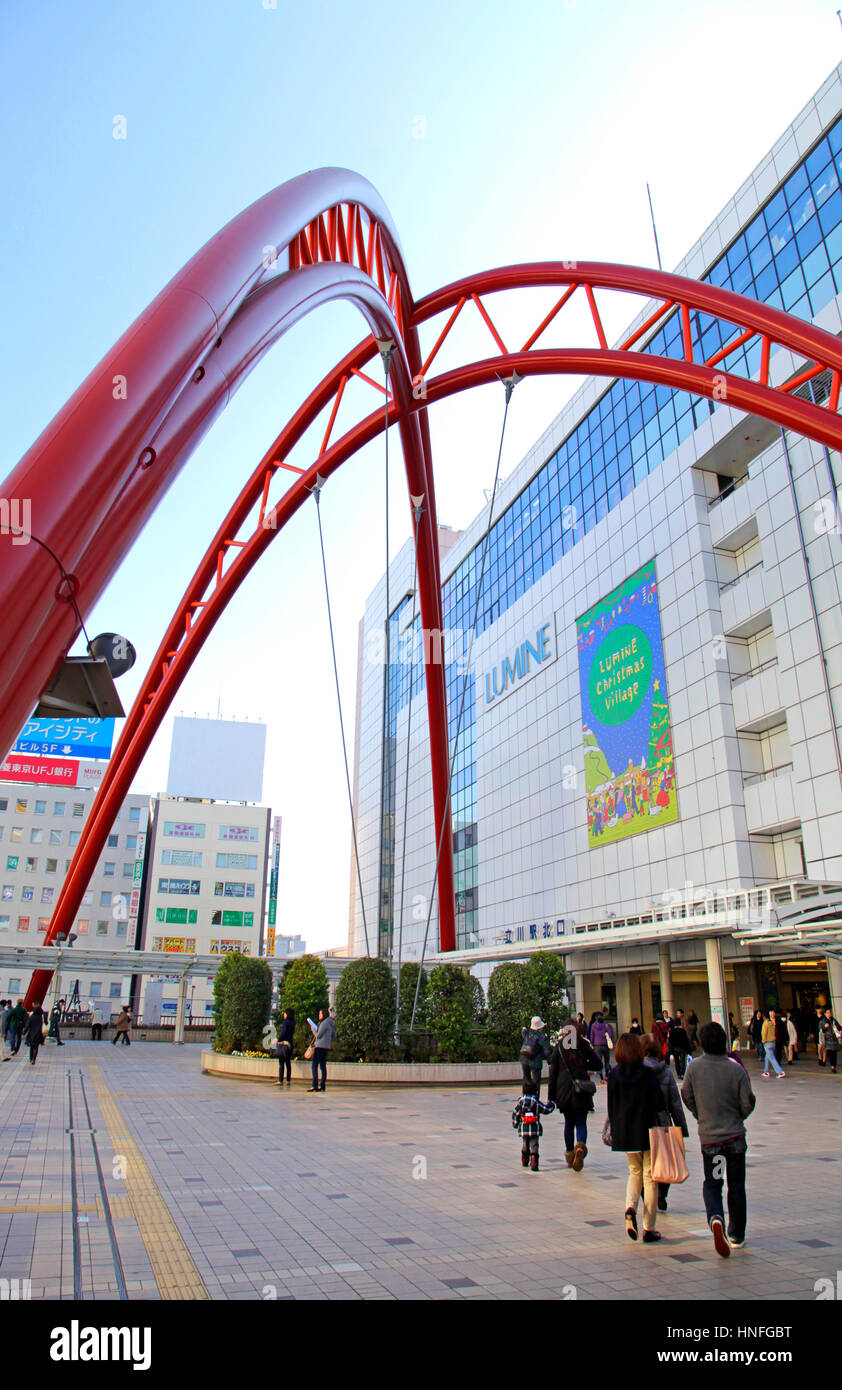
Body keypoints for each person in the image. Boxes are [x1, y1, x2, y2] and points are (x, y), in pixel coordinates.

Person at [681, 1021, 756, 1257]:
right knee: (736, 1185)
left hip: (711, 1140)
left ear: (702, 1042)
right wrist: (737, 1116)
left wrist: (700, 1115)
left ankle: (715, 1217)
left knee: (713, 1183)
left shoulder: (694, 1068)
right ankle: (736, 1234)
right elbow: (747, 1102)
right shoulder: (736, 1069)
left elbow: (686, 1095)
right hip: (734, 1138)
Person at [606, 1032, 666, 1244]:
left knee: (634, 1171)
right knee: (650, 1178)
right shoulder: (647, 1074)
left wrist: (615, 1128)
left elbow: (611, 1107)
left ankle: (630, 1207)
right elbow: (659, 1103)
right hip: (646, 1129)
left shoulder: (613, 1075)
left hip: (625, 1131)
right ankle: (649, 1228)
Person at [641, 1032, 689, 1212]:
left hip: (641, 1122)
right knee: (665, 1158)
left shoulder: (636, 1069)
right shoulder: (665, 1071)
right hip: (662, 1120)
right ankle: (661, 1193)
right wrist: (681, 1126)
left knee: (645, 1161)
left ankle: (649, 1194)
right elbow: (675, 1102)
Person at [546, 1022, 602, 1171]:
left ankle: (570, 1154)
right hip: (581, 1089)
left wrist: (551, 1096)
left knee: (568, 1123)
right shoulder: (584, 1045)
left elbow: (553, 1073)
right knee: (581, 1122)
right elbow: (598, 1065)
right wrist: (584, 1066)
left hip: (564, 1090)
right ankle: (581, 1147)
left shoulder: (559, 1046)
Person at [511, 1079, 555, 1172]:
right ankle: (534, 1163)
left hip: (524, 1128)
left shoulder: (520, 1102)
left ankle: (524, 1159)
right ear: (536, 1091)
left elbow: (516, 1113)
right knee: (534, 1145)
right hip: (534, 1128)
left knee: (525, 1144)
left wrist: (515, 1124)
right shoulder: (536, 1101)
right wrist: (551, 1105)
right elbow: (545, 1109)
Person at [520, 1016, 552, 1097]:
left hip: (524, 1059)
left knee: (526, 1079)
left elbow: (523, 1032)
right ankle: (535, 1099)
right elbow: (546, 1051)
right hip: (535, 1061)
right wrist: (550, 1062)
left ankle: (525, 1098)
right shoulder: (541, 1036)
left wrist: (523, 1029)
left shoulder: (527, 1033)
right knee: (536, 1081)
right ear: (540, 1027)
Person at [307, 1008, 335, 1092]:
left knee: (314, 1065)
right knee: (323, 1066)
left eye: (320, 1014)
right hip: (326, 1047)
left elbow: (318, 1035)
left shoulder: (324, 1023)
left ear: (324, 1015)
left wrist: (313, 1031)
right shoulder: (331, 1023)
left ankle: (314, 1085)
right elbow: (333, 1035)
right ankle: (322, 1085)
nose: (319, 1016)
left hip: (319, 1047)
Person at [588, 1012, 614, 1084]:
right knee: (606, 1061)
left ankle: (601, 1078)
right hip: (605, 1046)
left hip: (597, 1046)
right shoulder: (606, 1026)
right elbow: (610, 1034)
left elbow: (591, 1037)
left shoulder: (593, 1026)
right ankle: (607, 1076)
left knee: (599, 1062)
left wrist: (592, 1045)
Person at [761, 1010, 785, 1078]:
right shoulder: (772, 1023)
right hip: (773, 1042)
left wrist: (763, 1041)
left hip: (767, 1042)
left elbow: (764, 1033)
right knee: (767, 1056)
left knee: (771, 1058)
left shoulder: (765, 1023)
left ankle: (780, 1072)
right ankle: (766, 1071)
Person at [275, 1007, 295, 1087]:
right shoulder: (293, 1023)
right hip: (290, 1044)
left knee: (281, 1063)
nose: (284, 1014)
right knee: (288, 1062)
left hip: (284, 1044)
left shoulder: (285, 1023)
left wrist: (278, 1040)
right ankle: (288, 1080)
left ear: (287, 1014)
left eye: (285, 1013)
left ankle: (280, 1080)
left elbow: (283, 1033)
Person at [818, 1008, 841, 1074]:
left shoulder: (833, 1020)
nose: (829, 1014)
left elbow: (839, 1027)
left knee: (834, 1053)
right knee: (831, 1053)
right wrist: (825, 1027)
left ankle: (834, 1066)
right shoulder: (823, 1021)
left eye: (830, 1013)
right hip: (827, 1039)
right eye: (827, 1013)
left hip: (834, 1039)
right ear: (825, 1014)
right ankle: (832, 1067)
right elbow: (820, 1029)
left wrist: (837, 1027)